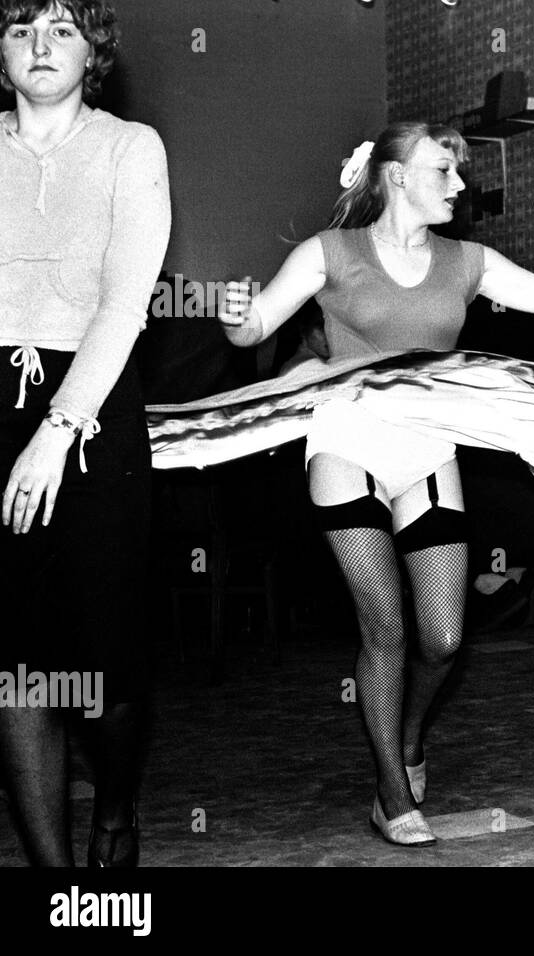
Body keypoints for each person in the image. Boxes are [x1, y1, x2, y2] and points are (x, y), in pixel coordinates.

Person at [216, 120, 534, 847]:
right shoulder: (330, 253)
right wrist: (234, 320)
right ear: (397, 176)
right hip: (346, 440)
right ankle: (390, 792)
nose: (461, 186)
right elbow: (254, 331)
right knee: (384, 626)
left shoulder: (467, 260)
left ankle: (407, 742)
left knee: (441, 638)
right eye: (446, 171)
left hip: (427, 443)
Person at [0, 0, 170, 866]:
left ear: (92, 53)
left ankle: (114, 807)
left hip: (94, 404)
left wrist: (54, 430)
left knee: (101, 662)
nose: (40, 44)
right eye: (22, 27)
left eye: (62, 29)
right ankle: (55, 881)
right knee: (16, 656)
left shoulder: (129, 148)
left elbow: (124, 300)